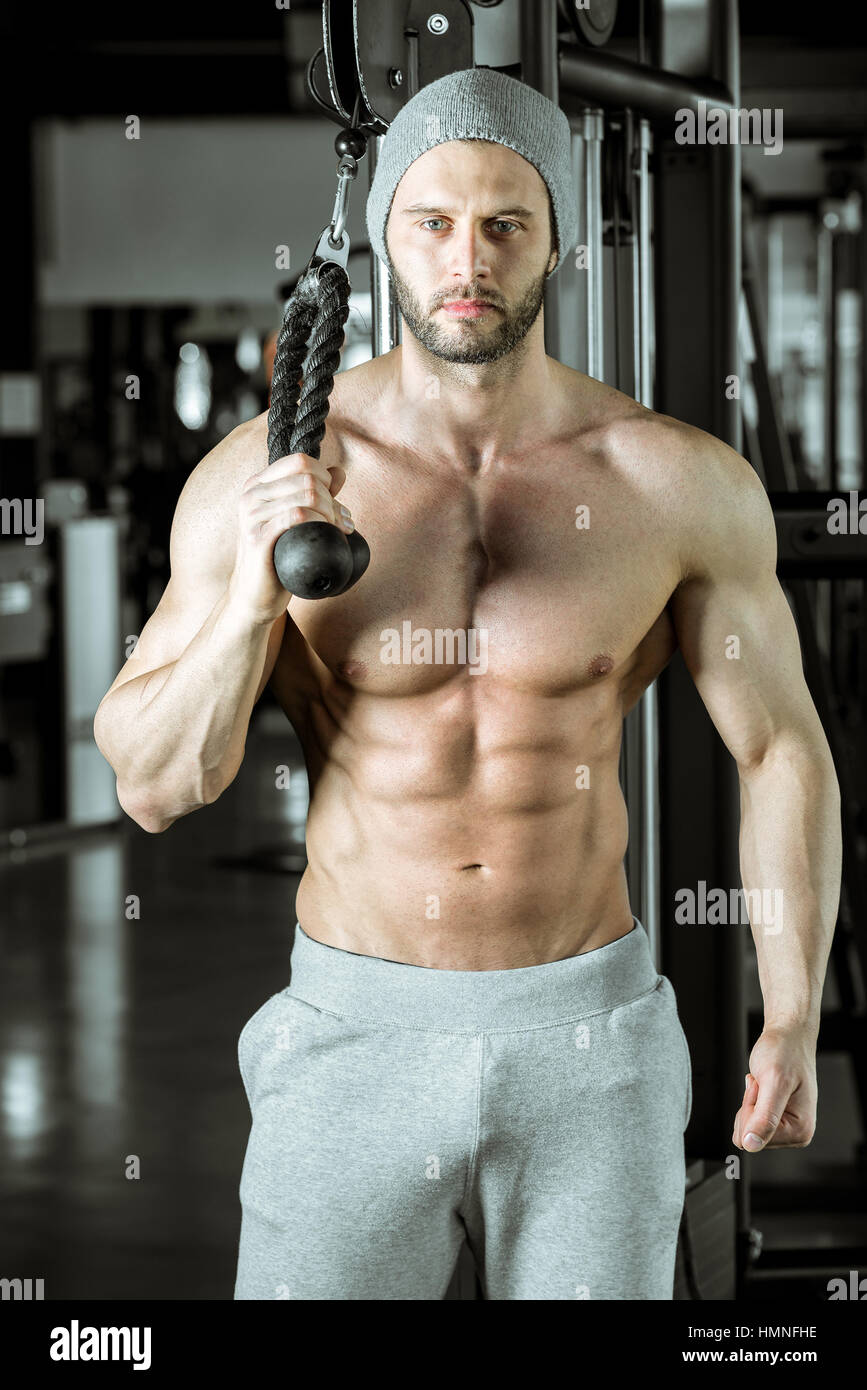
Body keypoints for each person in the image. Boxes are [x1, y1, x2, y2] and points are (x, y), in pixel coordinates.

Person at [94, 68, 841, 1300]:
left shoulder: (673, 484)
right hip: (350, 1039)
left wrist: (794, 1008)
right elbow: (158, 784)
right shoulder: (265, 475)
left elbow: (781, 750)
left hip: (592, 1044)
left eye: (507, 223)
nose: (469, 259)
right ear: (382, 234)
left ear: (560, 241)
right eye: (433, 223)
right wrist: (250, 598)